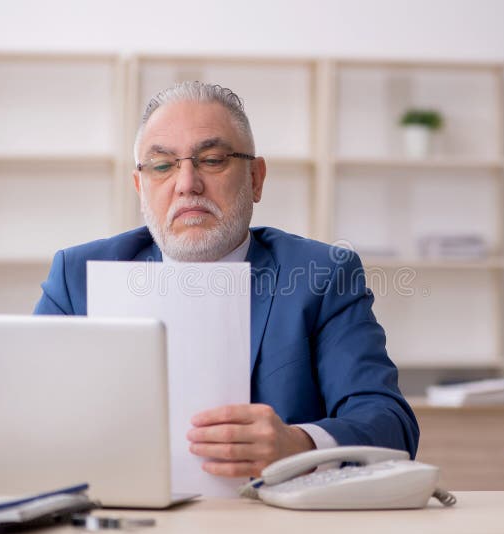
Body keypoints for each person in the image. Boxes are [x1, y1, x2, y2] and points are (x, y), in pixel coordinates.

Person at [34, 81, 419, 478]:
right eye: (163, 166)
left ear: (256, 178)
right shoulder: (77, 278)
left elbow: (390, 426)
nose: (186, 184)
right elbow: (23, 412)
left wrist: (300, 444)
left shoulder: (322, 276)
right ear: (140, 188)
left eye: (213, 159)